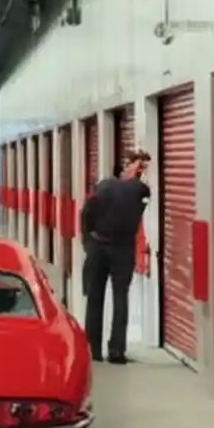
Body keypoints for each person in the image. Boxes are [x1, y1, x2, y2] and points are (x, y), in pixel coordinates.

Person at [79, 148, 152, 364]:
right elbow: (140, 205)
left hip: (98, 246)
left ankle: (94, 349)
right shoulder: (142, 190)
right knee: (121, 298)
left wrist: (88, 240)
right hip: (123, 248)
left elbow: (86, 214)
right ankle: (117, 351)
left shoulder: (102, 187)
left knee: (95, 298)